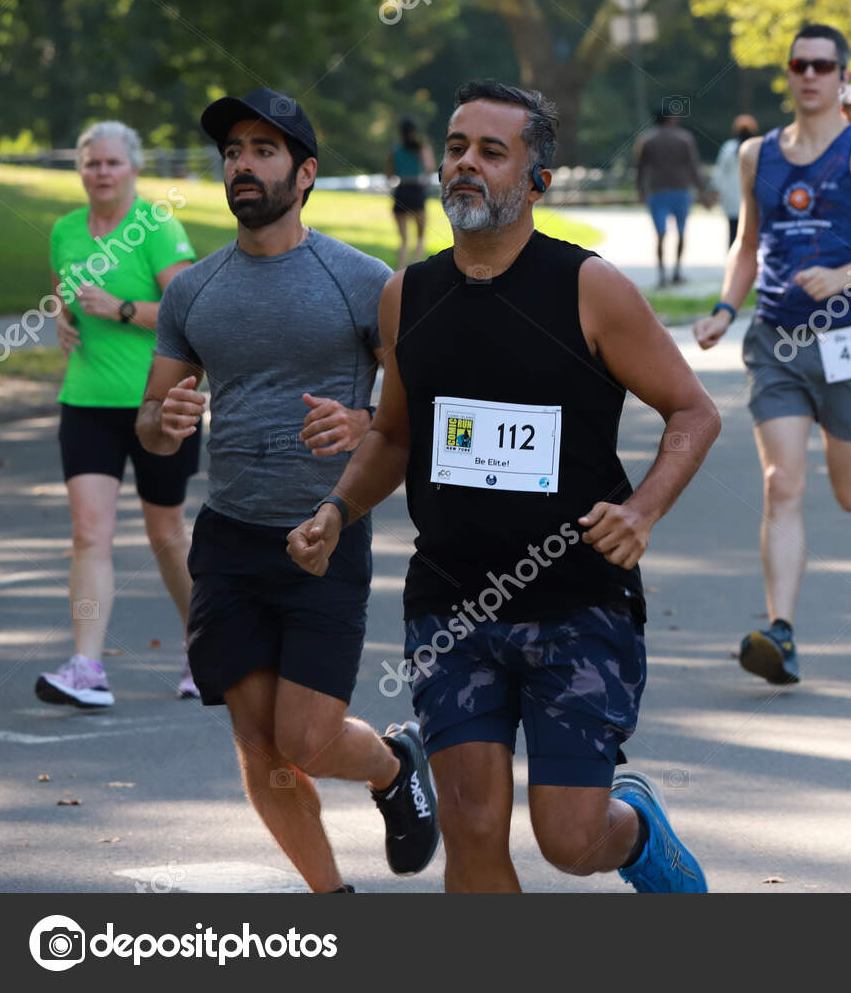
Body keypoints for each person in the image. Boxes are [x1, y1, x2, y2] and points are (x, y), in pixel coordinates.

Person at [287, 79, 719, 893]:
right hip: (451, 604)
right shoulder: (406, 296)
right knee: (474, 828)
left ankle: (636, 833)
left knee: (568, 836)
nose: (465, 165)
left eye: (491, 150)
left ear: (537, 179)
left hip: (577, 603)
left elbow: (694, 410)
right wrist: (336, 509)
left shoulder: (588, 288)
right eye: (455, 147)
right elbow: (392, 434)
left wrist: (642, 509)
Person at [137, 87, 439, 892]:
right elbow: (151, 426)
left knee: (305, 737)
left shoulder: (362, 280)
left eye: (263, 151)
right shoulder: (193, 291)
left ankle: (392, 762)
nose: (243, 164)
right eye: (234, 150)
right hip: (230, 538)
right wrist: (165, 421)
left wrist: (363, 416)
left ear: (304, 173)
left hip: (324, 534)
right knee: (259, 746)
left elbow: (419, 411)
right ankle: (332, 902)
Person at [693, 23, 851, 687]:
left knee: (850, 490)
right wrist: (724, 311)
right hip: (776, 343)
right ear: (788, 74)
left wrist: (849, 274)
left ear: (841, 76)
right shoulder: (756, 155)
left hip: (850, 341)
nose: (812, 74)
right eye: (800, 64)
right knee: (780, 483)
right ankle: (781, 631)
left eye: (824, 65)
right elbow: (747, 242)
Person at [37, 121, 200, 708]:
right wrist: (62, 317)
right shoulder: (63, 230)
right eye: (91, 163)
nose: (101, 172)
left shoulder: (156, 228)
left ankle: (201, 646)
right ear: (80, 171)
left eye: (112, 163)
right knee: (88, 534)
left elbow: (188, 315)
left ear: (132, 168)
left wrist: (121, 307)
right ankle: (86, 666)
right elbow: (64, 292)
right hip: (85, 401)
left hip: (158, 404)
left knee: (165, 535)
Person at [633, 107, 706, 286]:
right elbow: (693, 166)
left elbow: (640, 168)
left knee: (660, 234)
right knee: (681, 232)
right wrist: (702, 191)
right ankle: (677, 272)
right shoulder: (685, 138)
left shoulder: (646, 140)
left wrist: (641, 191)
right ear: (670, 119)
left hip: (656, 190)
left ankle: (662, 275)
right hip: (681, 190)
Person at [387, 118, 436, 270]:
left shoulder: (395, 149)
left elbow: (389, 174)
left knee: (403, 240)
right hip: (417, 190)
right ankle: (416, 269)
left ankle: (400, 270)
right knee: (420, 237)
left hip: (401, 190)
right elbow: (430, 168)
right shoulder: (422, 148)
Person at [709, 114, 759, 247]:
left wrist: (715, 191)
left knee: (733, 234)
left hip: (732, 197)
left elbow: (719, 173)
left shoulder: (729, 147)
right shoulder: (758, 147)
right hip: (749, 197)